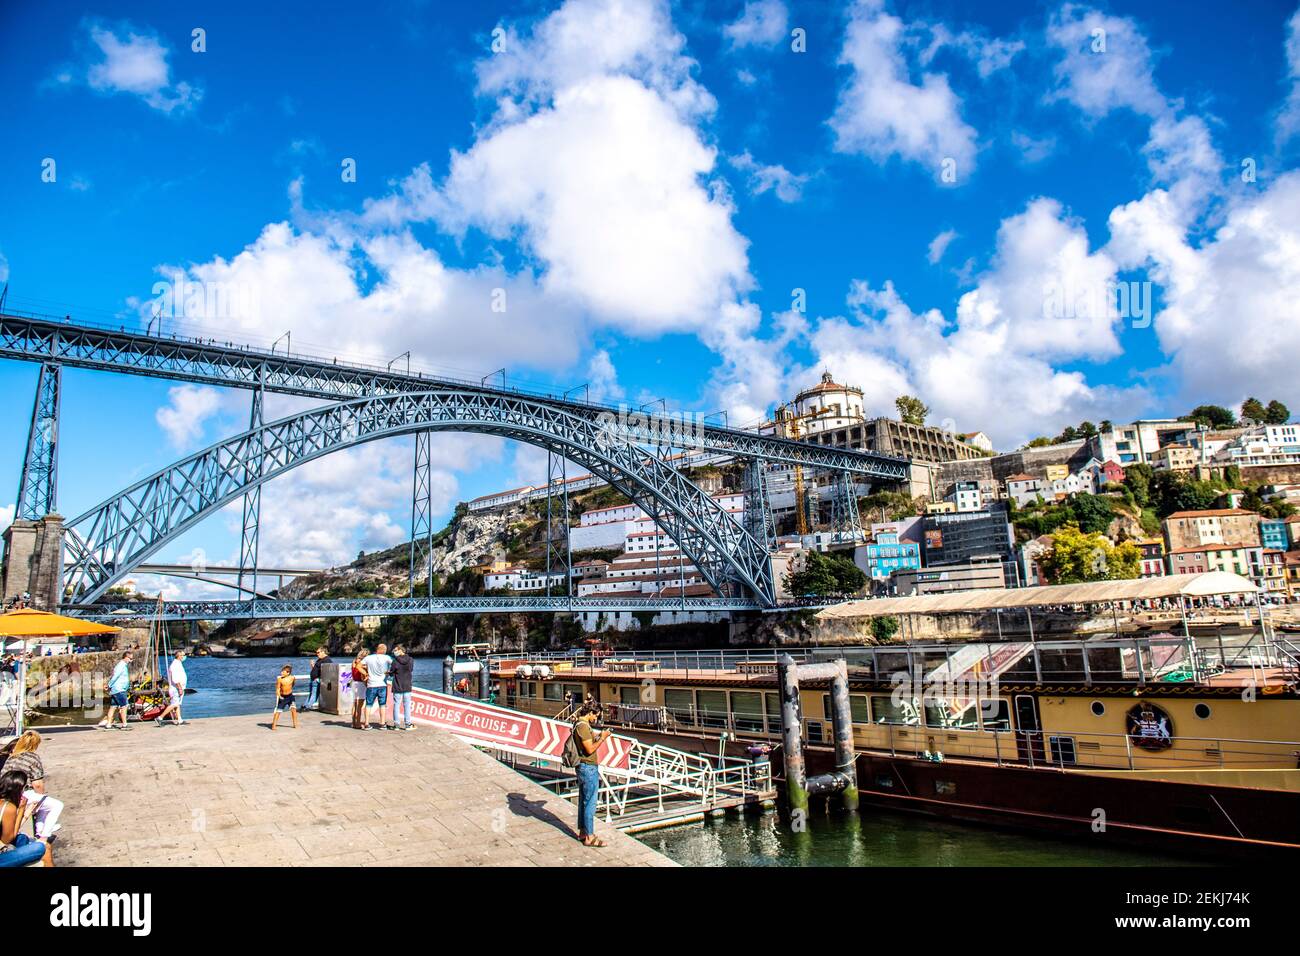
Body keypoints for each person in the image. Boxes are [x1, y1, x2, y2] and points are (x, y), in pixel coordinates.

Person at [0, 732, 62, 840]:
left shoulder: (11, 757)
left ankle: (40, 829)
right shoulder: (33, 758)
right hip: (23, 792)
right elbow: (37, 784)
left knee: (43, 802)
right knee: (56, 805)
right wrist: (40, 797)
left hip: (6, 790)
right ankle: (44, 836)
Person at [572, 703, 611, 848]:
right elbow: (589, 749)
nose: (596, 718)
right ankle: (589, 836)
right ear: (590, 713)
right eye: (596, 715)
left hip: (584, 767)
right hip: (588, 767)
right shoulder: (583, 726)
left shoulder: (579, 724)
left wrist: (598, 736)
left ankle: (583, 832)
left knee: (584, 800)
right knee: (590, 802)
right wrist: (603, 738)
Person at [0, 770, 52, 867]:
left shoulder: (3, 802)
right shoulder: (8, 807)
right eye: (25, 788)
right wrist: (21, 809)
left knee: (23, 838)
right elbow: (7, 839)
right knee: (41, 847)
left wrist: (24, 813)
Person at [97, 651, 133, 730]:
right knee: (124, 706)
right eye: (130, 658)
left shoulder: (122, 665)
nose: (131, 660)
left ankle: (109, 725)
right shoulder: (121, 666)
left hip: (116, 689)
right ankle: (124, 724)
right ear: (126, 657)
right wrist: (109, 685)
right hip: (119, 689)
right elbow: (115, 676)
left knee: (113, 707)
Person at [361, 644, 393, 730]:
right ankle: (382, 723)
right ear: (385, 650)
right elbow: (394, 666)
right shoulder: (387, 658)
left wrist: (366, 673)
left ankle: (367, 723)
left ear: (377, 649)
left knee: (368, 704)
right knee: (382, 704)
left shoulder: (369, 658)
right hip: (382, 684)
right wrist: (389, 672)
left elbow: (358, 666)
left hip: (371, 684)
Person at [155, 650, 188, 726]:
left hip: (178, 688)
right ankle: (160, 718)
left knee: (177, 704)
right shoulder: (175, 665)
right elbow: (175, 679)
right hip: (175, 688)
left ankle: (179, 719)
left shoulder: (178, 664)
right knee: (174, 704)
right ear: (179, 656)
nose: (184, 656)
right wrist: (179, 688)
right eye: (183, 655)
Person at [390, 645, 415, 731]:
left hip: (397, 685)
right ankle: (408, 724)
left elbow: (391, 672)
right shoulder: (411, 659)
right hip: (407, 685)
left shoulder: (395, 661)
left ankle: (396, 725)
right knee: (407, 706)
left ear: (401, 650)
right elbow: (411, 669)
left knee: (396, 705)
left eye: (396, 650)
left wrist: (389, 673)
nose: (394, 651)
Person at [270, 665, 298, 730]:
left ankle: (295, 724)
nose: (281, 673)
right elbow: (277, 689)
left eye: (283, 672)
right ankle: (273, 725)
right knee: (278, 711)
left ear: (288, 673)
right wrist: (279, 696)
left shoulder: (292, 678)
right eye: (281, 672)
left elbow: (293, 684)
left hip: (290, 696)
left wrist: (289, 690)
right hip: (283, 697)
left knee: (293, 710)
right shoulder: (279, 679)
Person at [305, 646, 331, 711]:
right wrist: (312, 665)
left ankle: (307, 706)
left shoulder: (327, 660)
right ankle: (305, 705)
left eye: (318, 652)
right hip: (313, 680)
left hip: (317, 680)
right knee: (311, 693)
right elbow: (316, 669)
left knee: (314, 694)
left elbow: (327, 671)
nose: (317, 654)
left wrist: (319, 678)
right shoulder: (320, 660)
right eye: (316, 652)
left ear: (323, 652)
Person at [350, 650, 369, 729]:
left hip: (354, 683)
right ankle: (357, 723)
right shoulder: (363, 664)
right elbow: (363, 674)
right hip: (360, 684)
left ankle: (353, 722)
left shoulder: (354, 661)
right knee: (359, 705)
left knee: (354, 704)